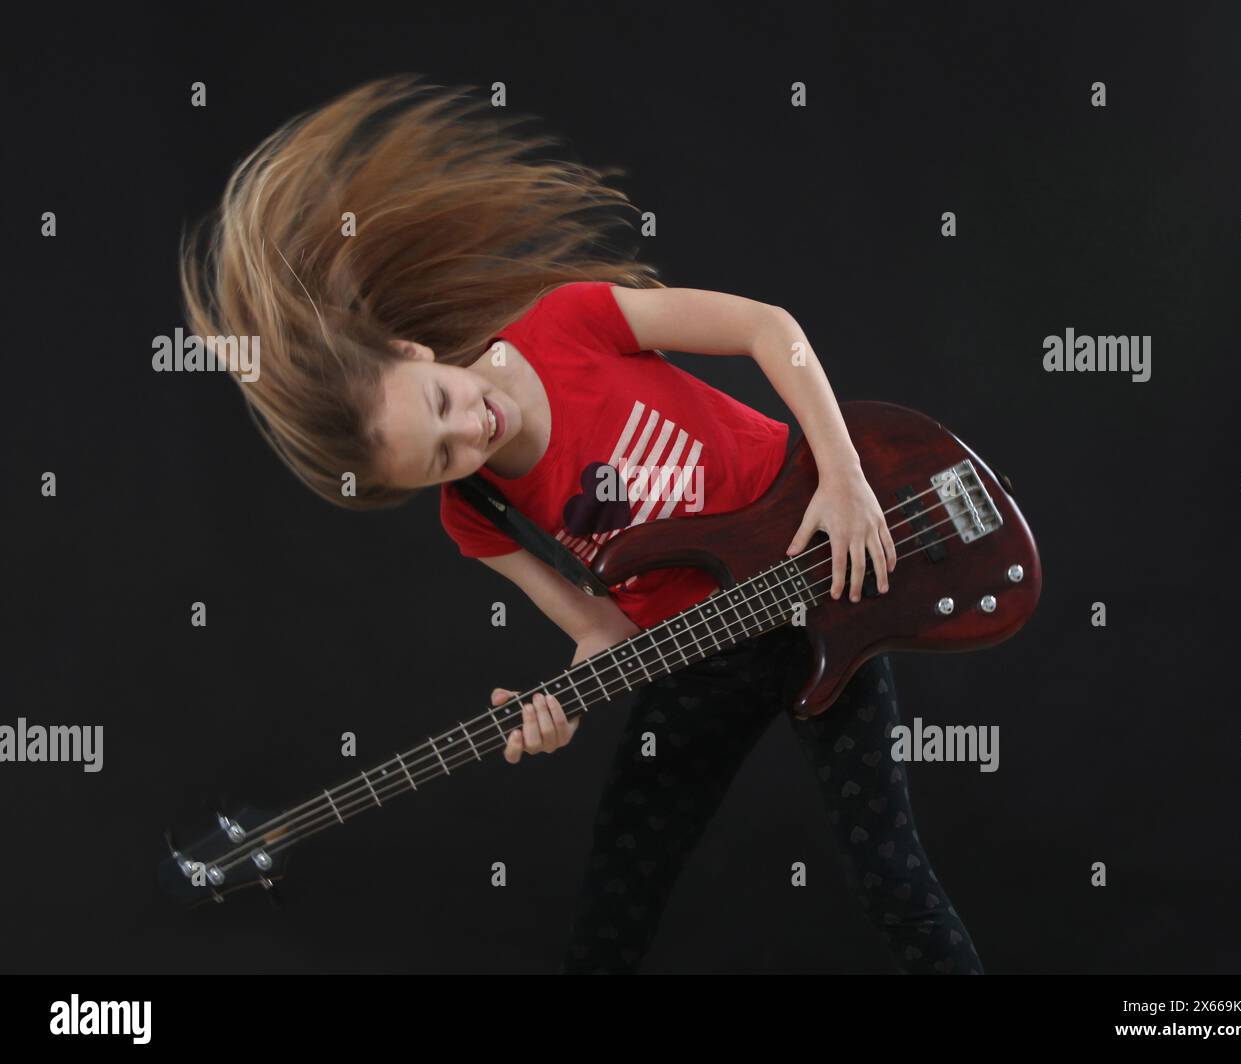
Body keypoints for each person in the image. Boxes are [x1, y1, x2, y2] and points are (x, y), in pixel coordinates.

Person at [180, 75, 983, 974]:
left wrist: (842, 477)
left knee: (895, 879)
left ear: (414, 354)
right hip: (703, 650)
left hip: (826, 572)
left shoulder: (566, 322)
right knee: (615, 908)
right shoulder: (475, 517)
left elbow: (770, 327)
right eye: (443, 455)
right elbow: (603, 630)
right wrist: (553, 706)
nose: (468, 431)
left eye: (442, 402)